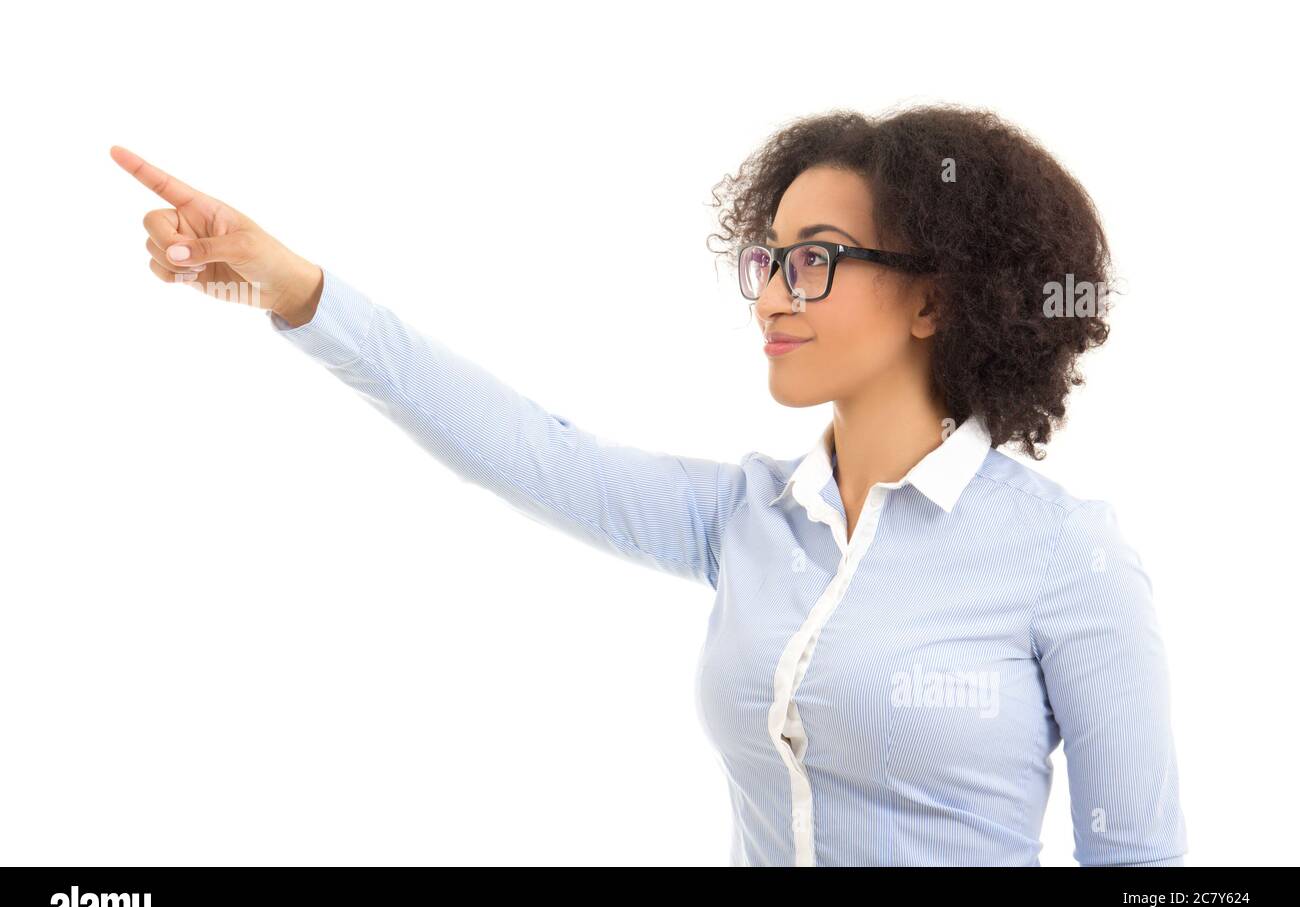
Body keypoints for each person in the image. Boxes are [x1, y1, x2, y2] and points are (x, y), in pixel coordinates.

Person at [109, 105, 1188, 866]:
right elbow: (527, 447)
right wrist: (294, 288)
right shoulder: (744, 518)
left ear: (934, 300)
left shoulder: (1065, 557)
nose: (771, 293)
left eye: (813, 258)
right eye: (764, 259)